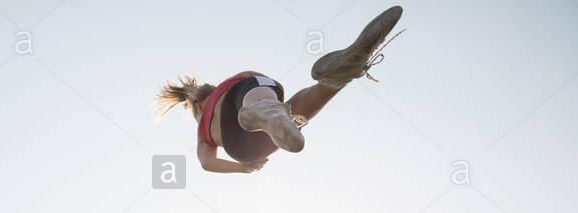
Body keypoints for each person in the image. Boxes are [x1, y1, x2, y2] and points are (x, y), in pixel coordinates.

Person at [154, 6, 403, 173]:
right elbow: (254, 77)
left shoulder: (203, 132)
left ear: (198, 106)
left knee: (290, 117)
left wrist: (244, 168)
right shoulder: (228, 87)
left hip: (245, 150)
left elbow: (206, 163)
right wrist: (253, 84)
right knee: (263, 93)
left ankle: (331, 83)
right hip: (255, 114)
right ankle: (329, 82)